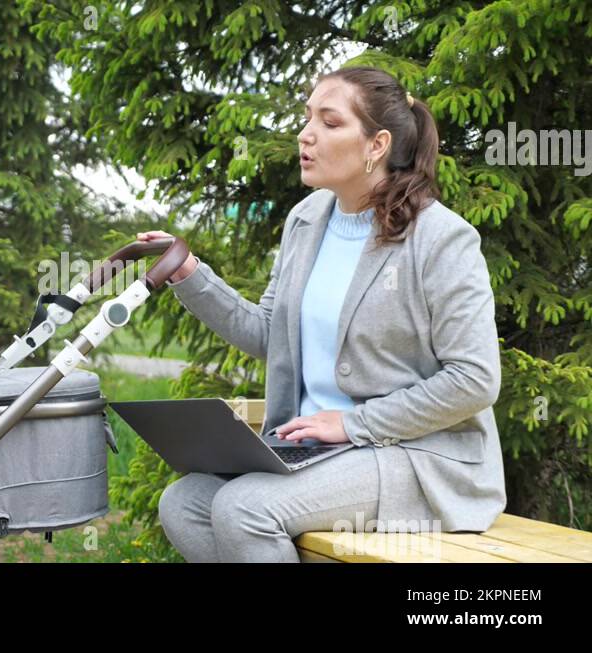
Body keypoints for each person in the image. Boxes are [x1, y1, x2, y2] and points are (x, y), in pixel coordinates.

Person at [138, 66, 506, 562]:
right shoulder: (307, 219)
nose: (305, 134)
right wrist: (189, 274)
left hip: (415, 456)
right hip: (320, 454)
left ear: (376, 145)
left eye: (330, 123)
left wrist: (354, 423)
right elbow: (271, 334)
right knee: (184, 502)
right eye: (308, 117)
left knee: (245, 508)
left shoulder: (441, 238)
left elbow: (475, 379)